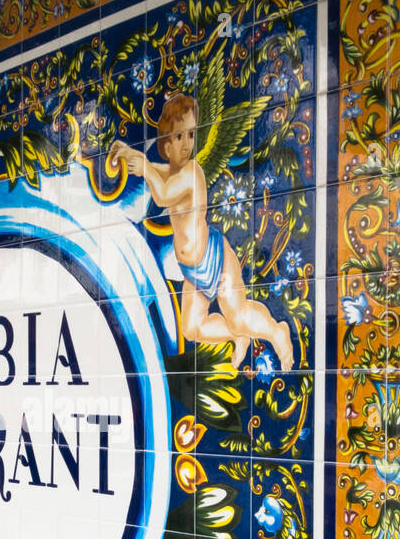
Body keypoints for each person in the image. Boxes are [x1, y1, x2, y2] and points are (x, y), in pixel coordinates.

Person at [111, 93, 294, 369]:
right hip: (193, 272)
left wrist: (145, 167)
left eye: (190, 135)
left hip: (216, 260)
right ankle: (237, 336)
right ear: (166, 144)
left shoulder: (191, 172)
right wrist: (132, 155)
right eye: (178, 137)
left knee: (239, 314)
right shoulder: (173, 170)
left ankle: (275, 331)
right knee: (192, 329)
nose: (186, 144)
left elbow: (161, 196)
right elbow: (159, 172)